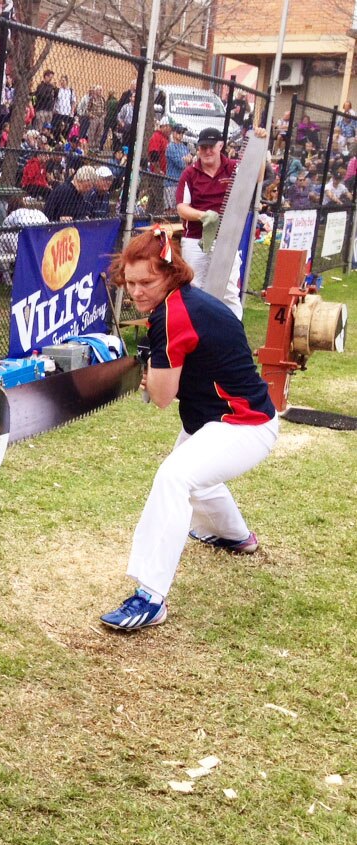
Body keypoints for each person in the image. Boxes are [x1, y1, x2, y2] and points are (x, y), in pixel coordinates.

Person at [99, 228, 277, 632]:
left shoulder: (173, 314)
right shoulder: (184, 302)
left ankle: (150, 596)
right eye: (130, 283)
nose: (137, 291)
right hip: (221, 421)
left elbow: (162, 397)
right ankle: (237, 537)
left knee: (175, 478)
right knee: (196, 477)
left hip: (243, 425)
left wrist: (149, 377)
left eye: (147, 282)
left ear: (171, 273)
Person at [175, 127, 266, 321]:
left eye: (211, 147)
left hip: (227, 239)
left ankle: (233, 333)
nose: (207, 151)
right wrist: (203, 216)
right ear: (198, 149)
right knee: (194, 287)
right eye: (203, 147)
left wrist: (262, 146)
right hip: (195, 239)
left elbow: (257, 178)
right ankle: (197, 332)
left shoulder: (233, 168)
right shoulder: (189, 174)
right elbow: (182, 207)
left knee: (229, 289)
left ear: (220, 146)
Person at [163, 124, 191, 212]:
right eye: (179, 132)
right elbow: (181, 164)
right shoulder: (170, 147)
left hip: (181, 182)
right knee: (170, 210)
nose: (181, 134)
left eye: (182, 133)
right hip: (171, 182)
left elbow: (190, 163)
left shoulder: (184, 147)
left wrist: (187, 160)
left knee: (179, 209)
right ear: (174, 133)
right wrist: (186, 160)